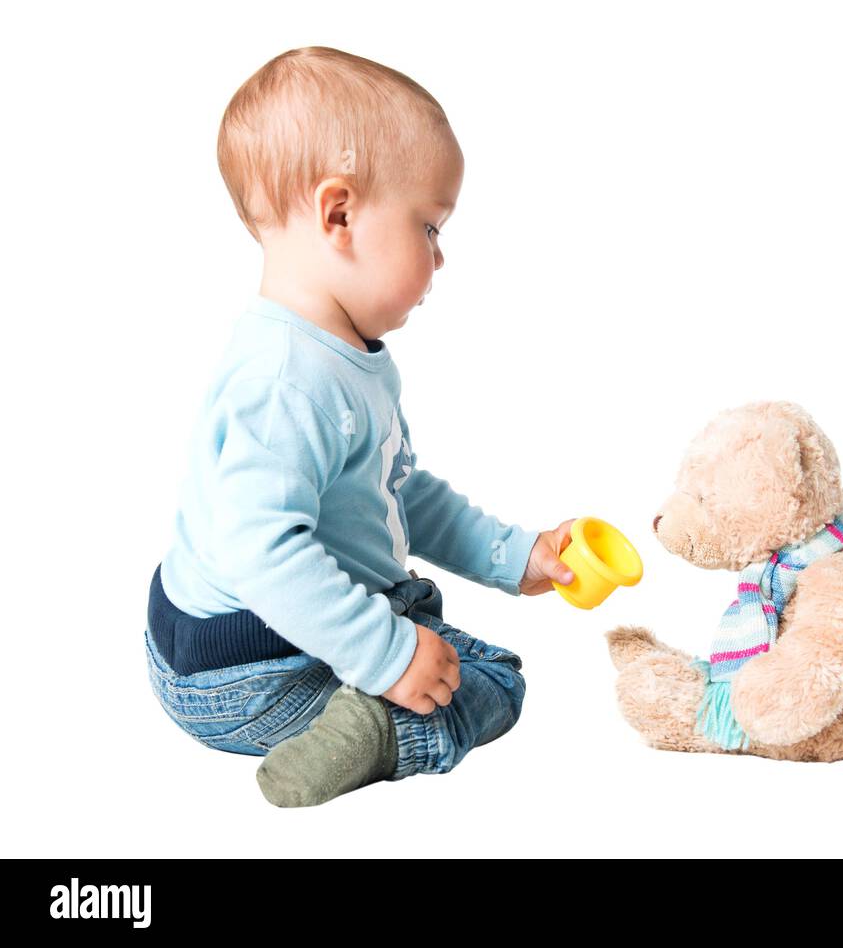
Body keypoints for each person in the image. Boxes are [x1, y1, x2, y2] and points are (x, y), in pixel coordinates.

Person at [145, 45, 576, 807]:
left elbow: (398, 494)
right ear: (339, 214)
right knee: (489, 678)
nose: (439, 260)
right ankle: (376, 731)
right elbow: (260, 549)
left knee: (432, 633)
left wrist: (518, 555)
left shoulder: (337, 355)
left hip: (224, 639)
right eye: (430, 227)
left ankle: (375, 679)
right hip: (243, 666)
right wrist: (385, 656)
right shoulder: (287, 379)